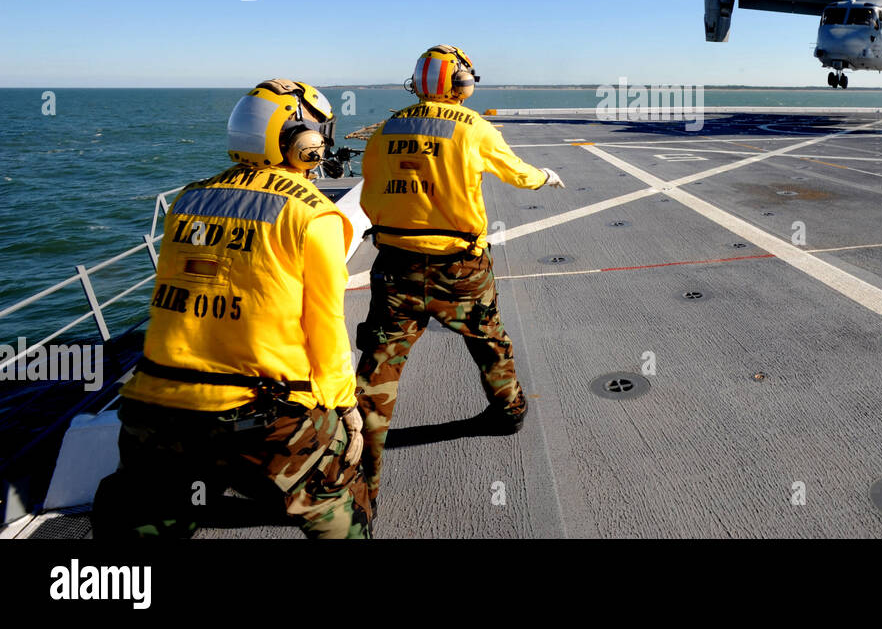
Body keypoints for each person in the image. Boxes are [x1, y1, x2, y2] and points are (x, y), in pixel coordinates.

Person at [93, 79, 371, 539]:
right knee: (338, 504)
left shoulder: (188, 200)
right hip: (262, 413)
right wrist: (345, 407)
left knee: (143, 523)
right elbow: (325, 325)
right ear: (302, 142)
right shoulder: (314, 215)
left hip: (157, 407)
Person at [355, 45, 563, 504]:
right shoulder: (474, 128)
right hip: (460, 266)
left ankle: (358, 485)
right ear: (460, 83)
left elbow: (370, 193)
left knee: (377, 366)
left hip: (396, 264)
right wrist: (545, 176)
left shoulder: (387, 127)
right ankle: (508, 412)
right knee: (488, 338)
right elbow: (516, 173)